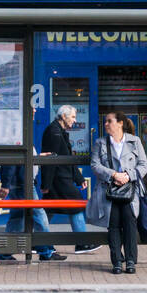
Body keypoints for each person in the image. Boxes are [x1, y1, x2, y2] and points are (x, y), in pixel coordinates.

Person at [87, 111, 147, 275]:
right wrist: (114, 174)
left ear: (120, 123)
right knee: (113, 225)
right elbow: (95, 165)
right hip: (109, 191)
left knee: (129, 223)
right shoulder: (100, 143)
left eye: (109, 121)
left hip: (129, 191)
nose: (106, 124)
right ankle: (116, 261)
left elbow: (143, 165)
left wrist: (128, 176)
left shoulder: (135, 142)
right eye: (105, 121)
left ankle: (130, 261)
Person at [40, 105, 99, 254]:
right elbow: (49, 159)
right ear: (63, 116)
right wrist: (45, 184)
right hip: (59, 179)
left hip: (60, 178)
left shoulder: (59, 131)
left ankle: (38, 242)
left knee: (47, 210)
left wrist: (79, 178)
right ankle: (81, 243)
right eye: (72, 117)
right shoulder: (54, 132)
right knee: (76, 203)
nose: (75, 120)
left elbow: (67, 157)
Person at [0, 164, 66, 262]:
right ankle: (46, 252)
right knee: (39, 215)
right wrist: (5, 185)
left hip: (21, 183)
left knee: (17, 219)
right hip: (23, 184)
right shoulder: (19, 147)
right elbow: (11, 162)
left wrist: (39, 156)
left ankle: (4, 253)